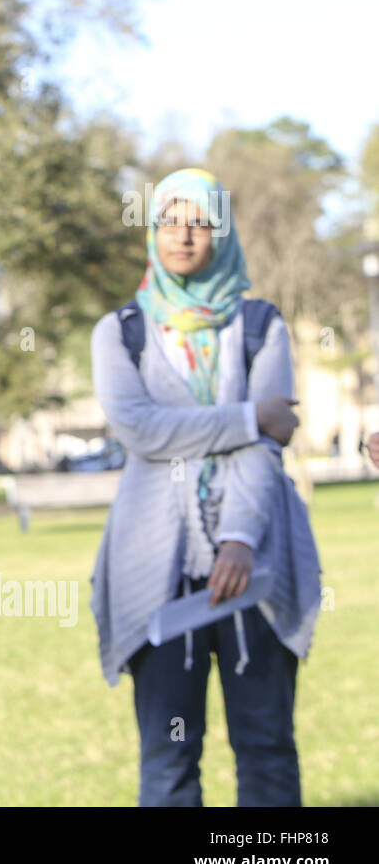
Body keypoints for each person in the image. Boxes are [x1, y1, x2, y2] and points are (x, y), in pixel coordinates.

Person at [90, 167, 322, 807]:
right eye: (169, 220)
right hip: (157, 569)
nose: (184, 235)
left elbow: (264, 450)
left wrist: (241, 540)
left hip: (257, 560)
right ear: (153, 230)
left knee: (266, 744)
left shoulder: (258, 325)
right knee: (168, 757)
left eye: (200, 221)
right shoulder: (121, 331)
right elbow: (141, 431)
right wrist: (248, 416)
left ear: (221, 231)